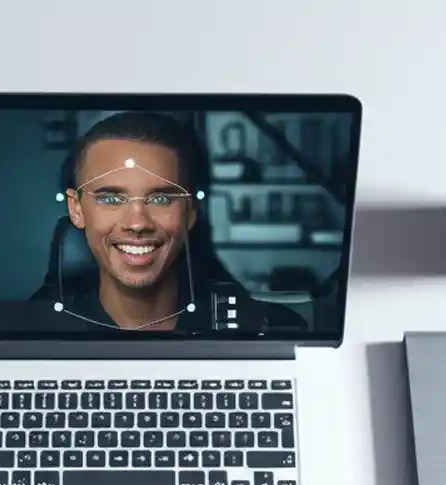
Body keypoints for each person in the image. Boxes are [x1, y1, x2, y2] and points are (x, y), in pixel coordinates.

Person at [56, 111, 306, 333]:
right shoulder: (44, 332)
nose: (137, 223)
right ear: (76, 209)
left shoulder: (269, 329)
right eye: (111, 199)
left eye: (161, 199)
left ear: (191, 211)